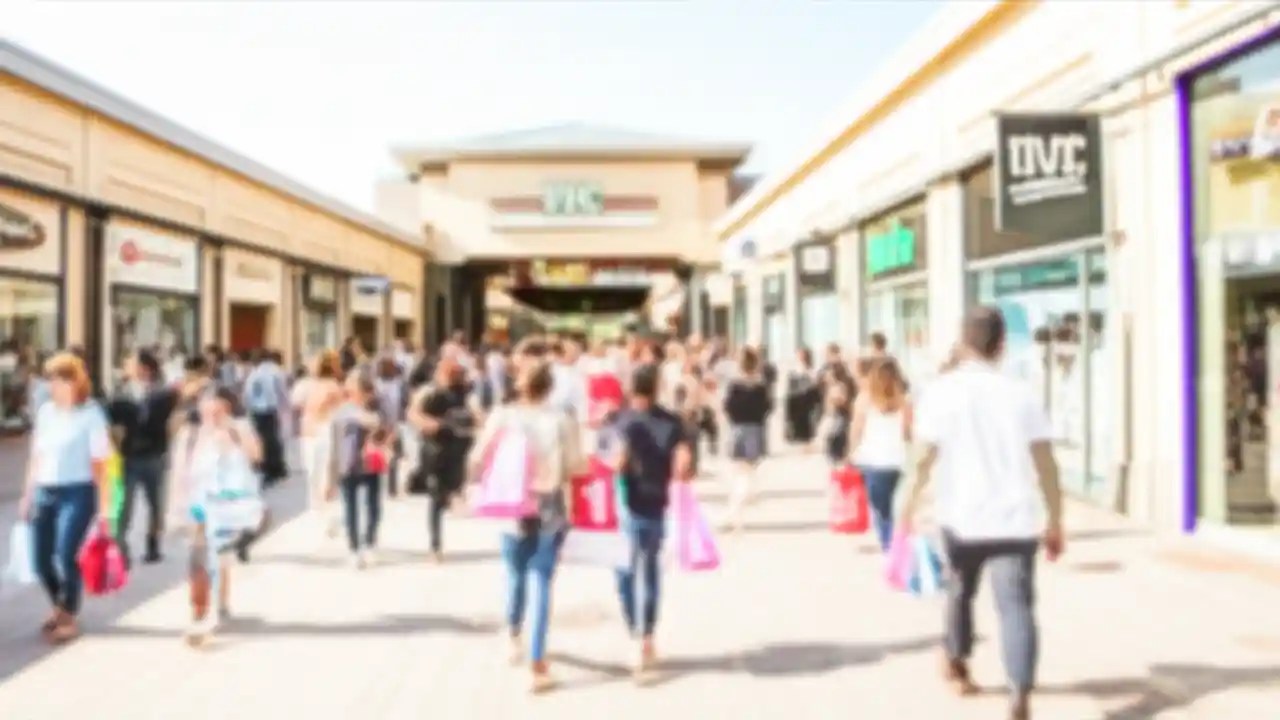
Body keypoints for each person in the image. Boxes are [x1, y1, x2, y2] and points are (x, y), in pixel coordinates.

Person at [899, 307, 1064, 720]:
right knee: (1017, 606)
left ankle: (957, 659)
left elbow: (922, 458)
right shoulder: (1021, 392)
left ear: (962, 342)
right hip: (1015, 519)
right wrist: (1056, 519)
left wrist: (907, 506)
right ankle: (1020, 689)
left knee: (960, 591)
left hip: (961, 515)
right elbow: (1046, 463)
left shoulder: (941, 392)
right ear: (1001, 345)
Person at [468, 359, 584, 693]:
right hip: (549, 505)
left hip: (511, 503)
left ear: (521, 385)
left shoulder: (503, 416)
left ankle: (513, 633)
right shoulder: (563, 419)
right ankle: (537, 661)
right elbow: (576, 465)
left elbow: (478, 456)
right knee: (543, 581)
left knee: (515, 572)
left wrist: (479, 483)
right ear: (550, 387)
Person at [18, 353, 112, 644]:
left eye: (59, 379)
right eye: (51, 379)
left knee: (65, 552)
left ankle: (69, 614)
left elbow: (101, 465)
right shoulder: (46, 412)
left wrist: (106, 509)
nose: (53, 385)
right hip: (46, 491)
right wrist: (27, 494)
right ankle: (61, 603)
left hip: (78, 491)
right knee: (39, 560)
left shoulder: (91, 414)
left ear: (75, 381)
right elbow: (37, 456)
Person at [610, 364, 693, 679]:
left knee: (624, 574)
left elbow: (615, 463)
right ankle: (647, 637)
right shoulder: (672, 422)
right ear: (657, 388)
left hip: (626, 505)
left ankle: (636, 631)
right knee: (650, 571)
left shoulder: (622, 420)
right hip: (657, 504)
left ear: (631, 388)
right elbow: (684, 463)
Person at [168, 386, 262, 645]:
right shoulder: (189, 435)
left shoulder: (236, 429)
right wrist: (176, 509)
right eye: (207, 407)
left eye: (218, 409)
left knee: (218, 557)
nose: (212, 414)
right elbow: (179, 473)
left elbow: (255, 455)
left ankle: (214, 607)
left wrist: (234, 429)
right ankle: (200, 611)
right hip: (197, 505)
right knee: (198, 557)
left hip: (227, 505)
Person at [108, 349, 178, 566]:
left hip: (154, 456)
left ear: (144, 368)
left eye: (131, 363)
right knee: (123, 506)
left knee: (156, 505)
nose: (127, 366)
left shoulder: (163, 394)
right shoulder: (120, 394)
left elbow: (172, 423)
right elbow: (112, 424)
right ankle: (121, 549)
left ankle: (153, 544)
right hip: (128, 457)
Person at [409, 357, 478, 562]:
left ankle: (450, 497)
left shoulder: (464, 393)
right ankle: (435, 545)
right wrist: (431, 424)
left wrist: (471, 423)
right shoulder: (429, 392)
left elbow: (476, 413)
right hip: (435, 449)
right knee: (436, 496)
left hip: (457, 450)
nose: (451, 377)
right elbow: (414, 413)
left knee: (451, 487)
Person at [848, 358, 912, 551]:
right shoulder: (905, 401)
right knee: (896, 507)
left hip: (872, 461)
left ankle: (888, 544)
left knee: (880, 509)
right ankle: (895, 543)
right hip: (898, 461)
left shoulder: (864, 400)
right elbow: (908, 434)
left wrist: (851, 453)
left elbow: (856, 431)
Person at [334, 374, 386, 568]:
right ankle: (354, 548)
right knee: (351, 509)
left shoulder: (374, 409)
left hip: (370, 462)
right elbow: (335, 441)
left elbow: (380, 425)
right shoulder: (344, 411)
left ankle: (370, 542)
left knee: (373, 506)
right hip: (348, 463)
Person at [295, 350, 345, 540]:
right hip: (315, 430)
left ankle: (323, 514)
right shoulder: (319, 385)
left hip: (320, 429)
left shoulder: (328, 386)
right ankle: (319, 512)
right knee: (315, 472)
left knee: (320, 473)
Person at [722, 346, 771, 532]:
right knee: (748, 471)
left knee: (738, 472)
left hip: (737, 429)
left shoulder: (734, 385)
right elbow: (767, 407)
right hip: (755, 429)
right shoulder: (760, 386)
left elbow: (727, 406)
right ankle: (738, 508)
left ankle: (735, 511)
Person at [243, 350, 288, 487]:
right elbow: (281, 390)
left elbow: (248, 393)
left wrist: (248, 407)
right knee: (272, 438)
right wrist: (284, 406)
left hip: (257, 409)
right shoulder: (275, 371)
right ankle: (276, 467)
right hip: (270, 408)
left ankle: (267, 467)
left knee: (262, 439)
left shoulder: (254, 373)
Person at [784, 347, 820, 446]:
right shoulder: (793, 373)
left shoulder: (813, 372)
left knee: (807, 439)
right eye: (800, 356)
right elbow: (790, 396)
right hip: (796, 410)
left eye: (803, 356)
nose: (801, 358)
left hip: (808, 411)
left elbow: (816, 394)